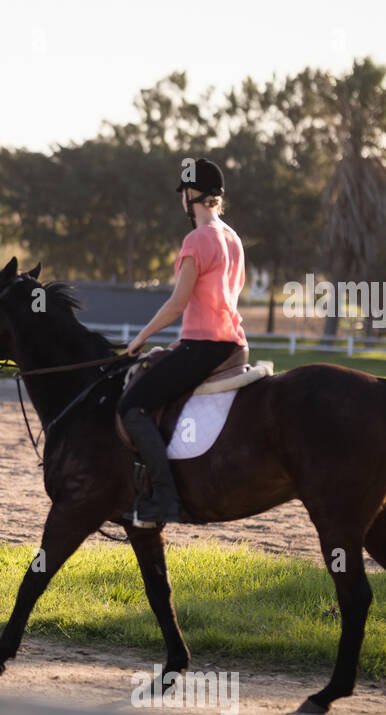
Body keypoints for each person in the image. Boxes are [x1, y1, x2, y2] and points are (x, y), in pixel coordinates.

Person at [118, 157, 248, 526]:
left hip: (205, 348)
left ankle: (163, 498)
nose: (183, 200)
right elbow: (222, 299)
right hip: (232, 346)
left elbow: (178, 303)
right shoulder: (233, 238)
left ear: (191, 195)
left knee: (133, 406)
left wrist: (141, 338)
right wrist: (183, 341)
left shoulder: (197, 239)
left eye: (184, 193)